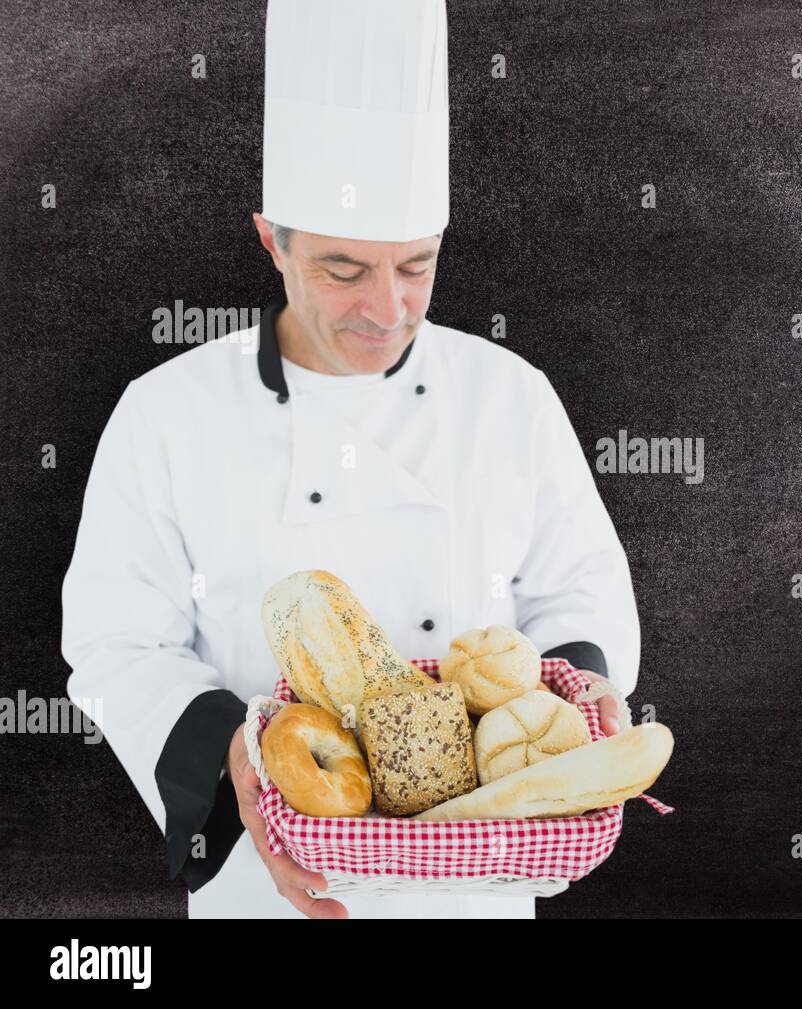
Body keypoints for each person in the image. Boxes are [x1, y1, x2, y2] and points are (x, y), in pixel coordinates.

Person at [59, 0, 639, 919]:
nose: (387, 308)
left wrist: (586, 686)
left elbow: (577, 593)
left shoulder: (509, 396)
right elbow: (115, 640)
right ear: (270, 239)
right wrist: (232, 758)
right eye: (342, 269)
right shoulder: (167, 414)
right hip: (272, 886)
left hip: (480, 889)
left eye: (416, 265)